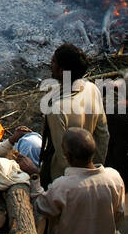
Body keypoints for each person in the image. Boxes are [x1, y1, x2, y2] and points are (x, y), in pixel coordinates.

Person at [17, 127, 124, 234]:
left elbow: (41, 206)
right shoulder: (114, 178)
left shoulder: (63, 187)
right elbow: (119, 214)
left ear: (68, 156)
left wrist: (35, 174)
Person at [40, 44, 110, 184]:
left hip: (61, 178)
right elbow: (103, 135)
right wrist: (93, 171)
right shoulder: (92, 89)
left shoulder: (58, 109)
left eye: (53, 61)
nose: (50, 64)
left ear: (61, 71)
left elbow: (62, 156)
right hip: (87, 168)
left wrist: (73, 183)